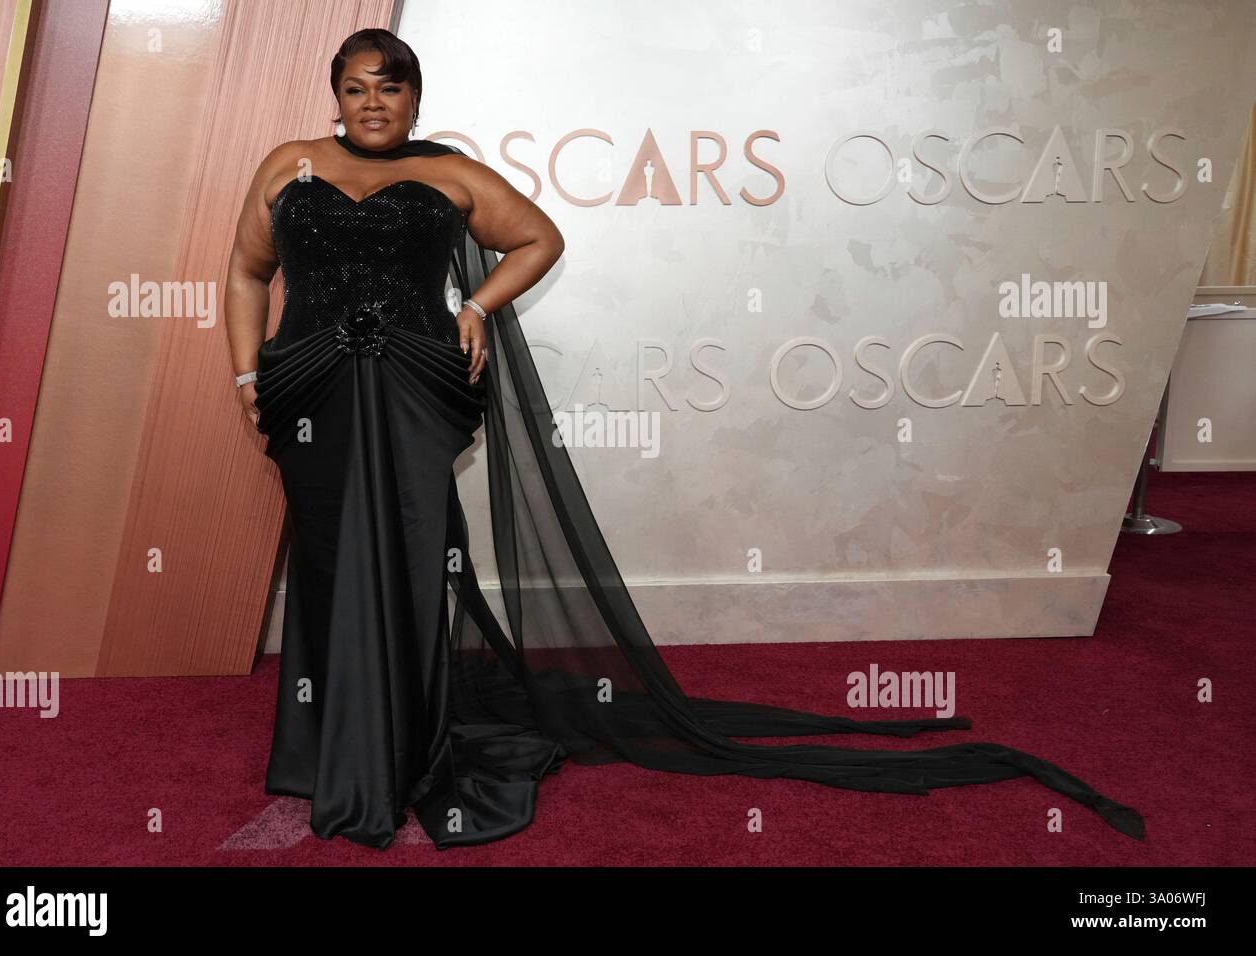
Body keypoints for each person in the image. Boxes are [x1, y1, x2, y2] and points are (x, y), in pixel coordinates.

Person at [223, 28, 1145, 851]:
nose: (373, 102)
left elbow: (539, 239)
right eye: (356, 87)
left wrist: (474, 303)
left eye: (391, 85)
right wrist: (244, 374)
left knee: (415, 563)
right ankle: (322, 747)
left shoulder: (450, 172)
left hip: (416, 396)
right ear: (334, 95)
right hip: (314, 393)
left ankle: (397, 753)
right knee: (332, 564)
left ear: (416, 97)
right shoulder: (289, 165)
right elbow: (244, 269)